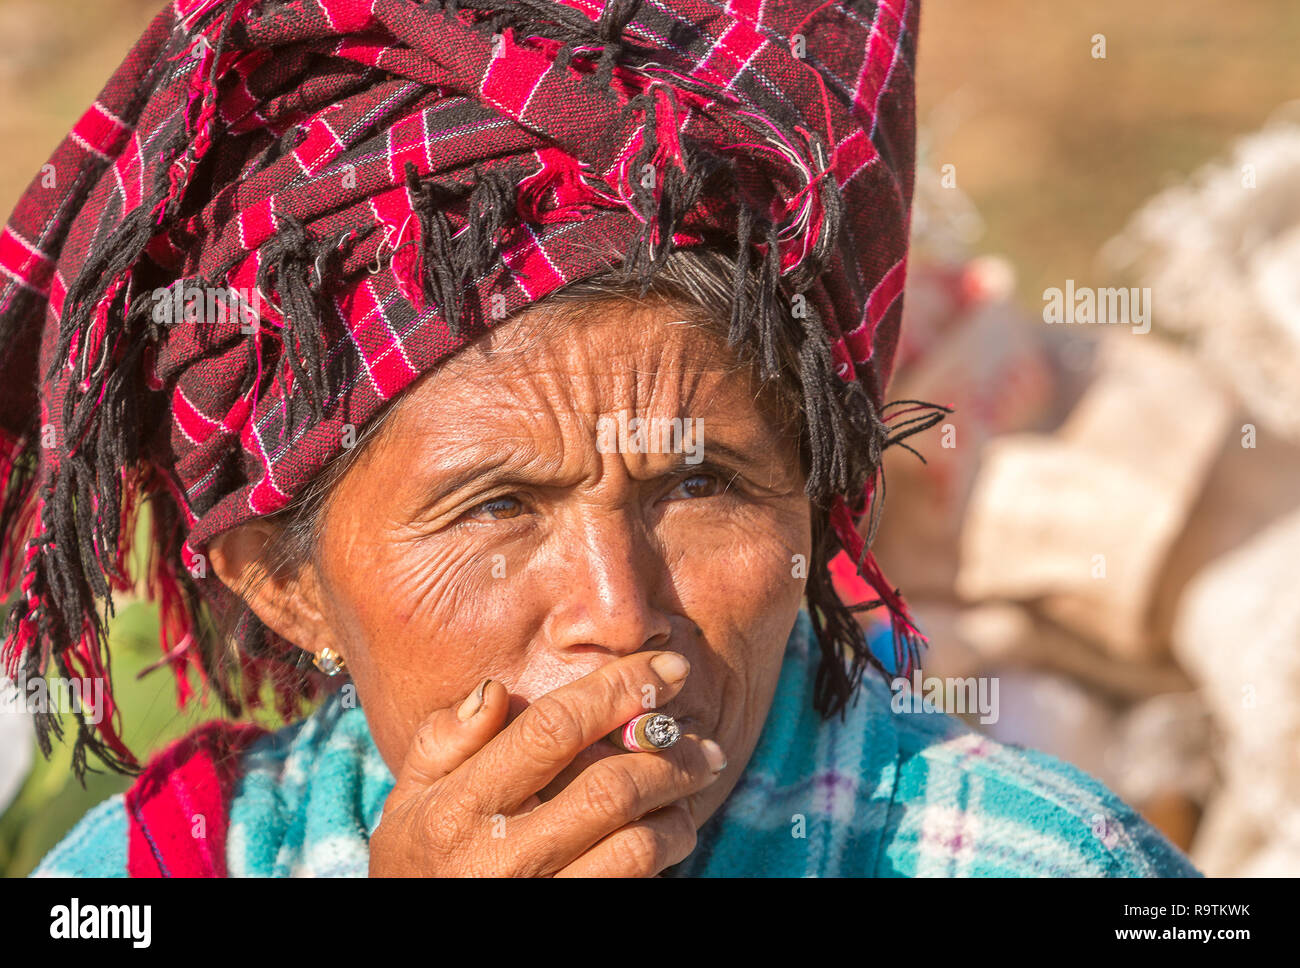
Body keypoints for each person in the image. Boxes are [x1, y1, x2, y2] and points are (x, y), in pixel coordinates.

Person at [1, 0, 1197, 877]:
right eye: (496, 507)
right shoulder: (145, 872)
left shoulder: (1039, 861)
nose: (621, 613)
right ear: (288, 586)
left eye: (701, 482)